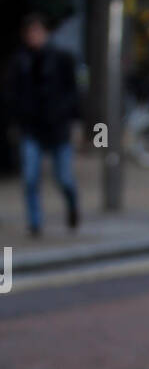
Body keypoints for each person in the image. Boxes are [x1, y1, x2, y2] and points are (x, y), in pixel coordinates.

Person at [4, 13, 82, 236]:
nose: (34, 37)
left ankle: (72, 206)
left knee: (64, 178)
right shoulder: (19, 61)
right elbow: (12, 94)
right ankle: (35, 223)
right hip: (31, 129)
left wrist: (73, 121)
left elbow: (74, 94)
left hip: (58, 129)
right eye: (30, 33)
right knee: (30, 178)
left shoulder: (62, 58)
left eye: (37, 31)